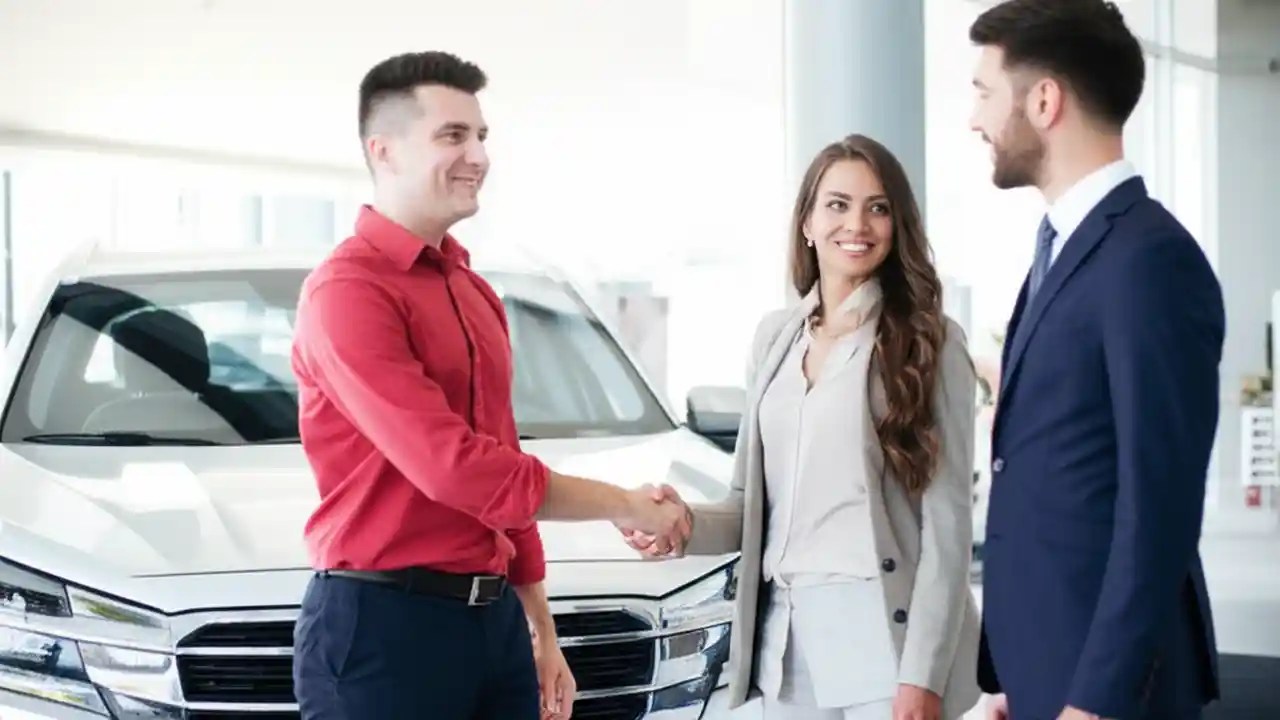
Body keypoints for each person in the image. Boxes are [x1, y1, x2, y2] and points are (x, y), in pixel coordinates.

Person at [290, 51, 691, 720]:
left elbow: (501, 471)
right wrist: (627, 504)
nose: (478, 154)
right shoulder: (347, 293)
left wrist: (540, 628)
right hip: (385, 629)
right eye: (453, 136)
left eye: (481, 136)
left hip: (493, 623)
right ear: (383, 151)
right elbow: (456, 469)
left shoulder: (472, 291)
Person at [622, 134, 982, 720]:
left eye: (878, 207)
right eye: (837, 204)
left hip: (881, 651)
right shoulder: (775, 337)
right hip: (784, 643)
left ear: (898, 225)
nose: (857, 224)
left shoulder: (930, 343)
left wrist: (922, 677)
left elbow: (948, 529)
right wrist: (680, 522)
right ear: (808, 222)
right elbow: (753, 506)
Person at [966, 2, 1224, 719]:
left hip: (1111, 693)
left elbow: (1159, 511)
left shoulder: (1150, 260)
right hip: (1053, 669)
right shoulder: (1063, 249)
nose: (974, 119)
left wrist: (1096, 700)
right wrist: (1021, 674)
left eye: (985, 92)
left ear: (1044, 100)